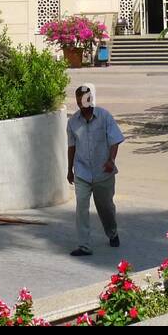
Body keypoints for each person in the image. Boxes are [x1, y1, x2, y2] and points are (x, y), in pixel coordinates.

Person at [66, 85, 125, 256]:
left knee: (105, 207)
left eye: (85, 99)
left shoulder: (104, 116)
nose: (82, 103)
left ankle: (112, 233)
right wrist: (70, 169)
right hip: (82, 172)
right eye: (79, 100)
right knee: (81, 208)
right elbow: (71, 146)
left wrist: (111, 160)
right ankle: (84, 245)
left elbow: (115, 140)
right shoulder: (72, 122)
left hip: (103, 171)